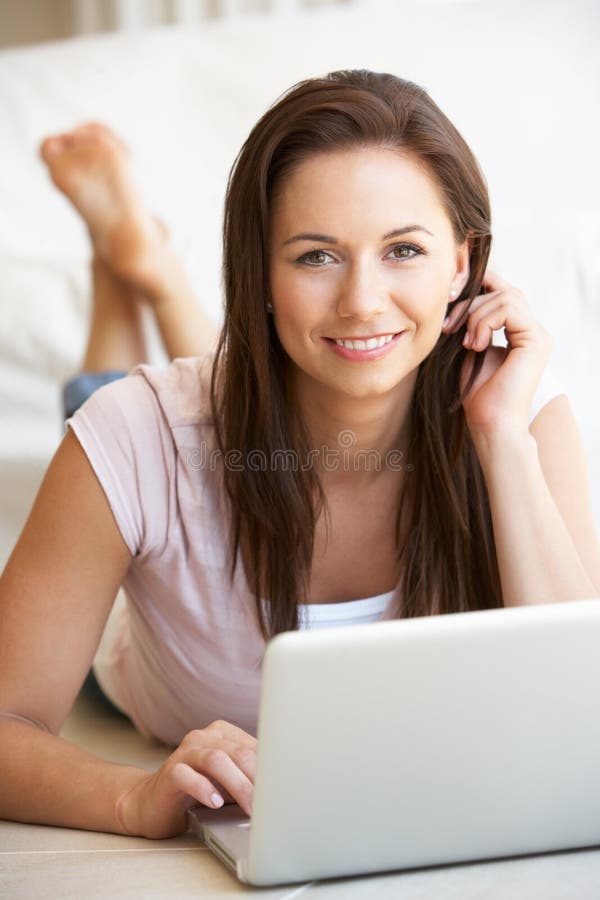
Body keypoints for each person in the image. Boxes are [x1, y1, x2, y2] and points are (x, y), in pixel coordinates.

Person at [1, 69, 598, 841]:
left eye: (404, 250)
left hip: (266, 399)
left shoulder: (524, 425)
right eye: (316, 256)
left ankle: (142, 263)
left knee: (263, 389)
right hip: (131, 659)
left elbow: (584, 725)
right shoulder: (138, 433)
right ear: (260, 271)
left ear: (464, 264)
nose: (362, 299)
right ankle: (127, 268)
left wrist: (501, 441)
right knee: (143, 411)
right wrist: (131, 797)